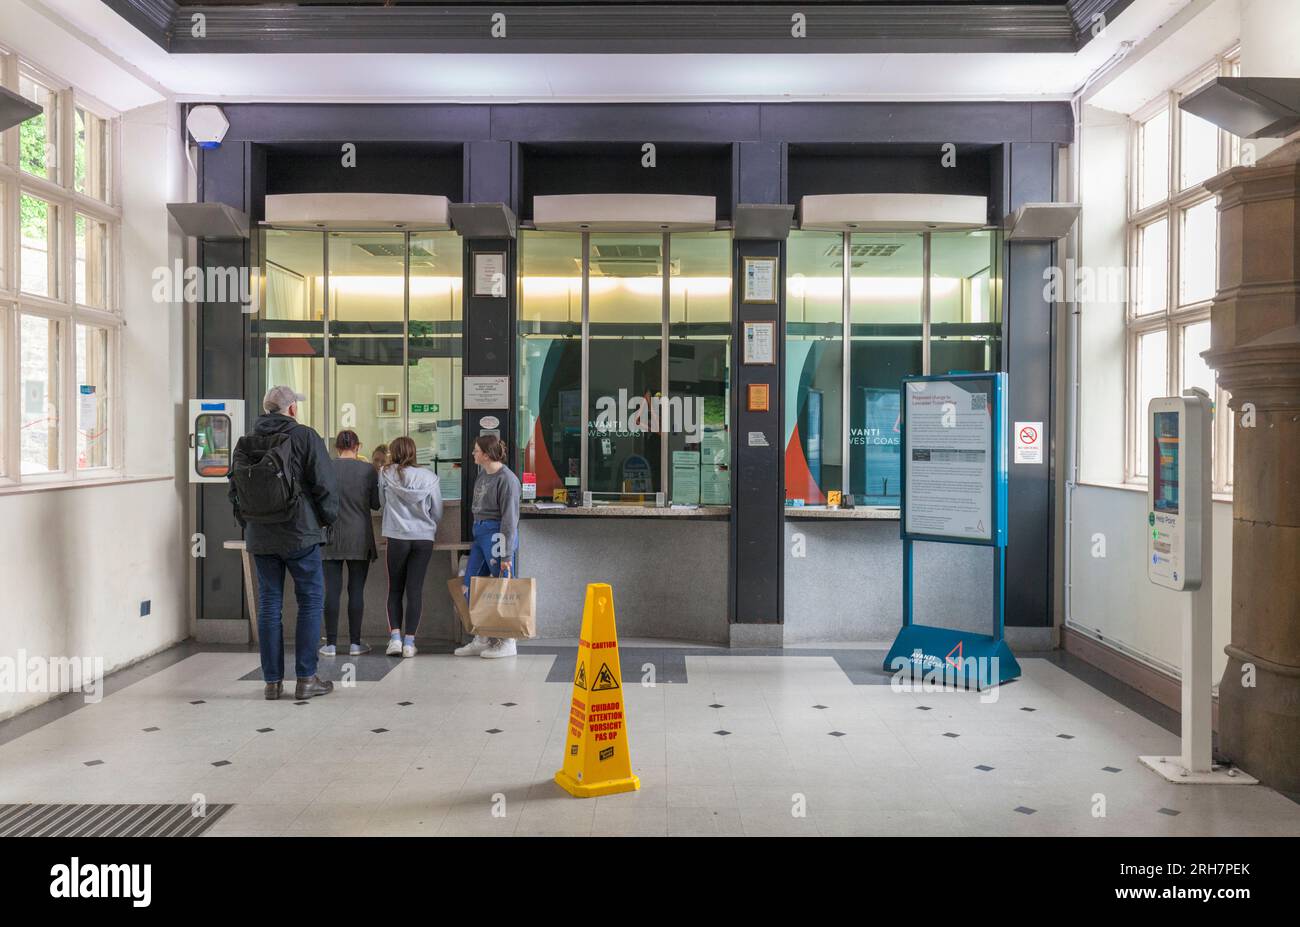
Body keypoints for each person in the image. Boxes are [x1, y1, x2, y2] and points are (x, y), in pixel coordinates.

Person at [229, 385, 339, 701]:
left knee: (268, 605)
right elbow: (325, 485)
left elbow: (234, 489)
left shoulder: (245, 441)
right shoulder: (305, 436)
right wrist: (326, 520)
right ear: (291, 409)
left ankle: (272, 682)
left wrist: (249, 524)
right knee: (310, 601)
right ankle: (306, 678)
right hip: (299, 534)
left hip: (260, 536)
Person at [456, 434, 522, 659]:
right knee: (470, 585)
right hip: (480, 533)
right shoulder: (483, 475)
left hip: (497, 536)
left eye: (476, 450)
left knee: (504, 588)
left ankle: (508, 640)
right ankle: (482, 637)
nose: (473, 454)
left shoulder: (507, 479)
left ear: (486, 454)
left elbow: (510, 519)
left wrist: (506, 554)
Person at [378, 435, 443, 657]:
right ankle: (409, 643)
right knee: (414, 589)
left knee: (395, 588)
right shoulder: (430, 477)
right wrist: (427, 524)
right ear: (414, 452)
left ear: (393, 453)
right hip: (424, 538)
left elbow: (381, 504)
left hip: (397, 536)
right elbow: (438, 511)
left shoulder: (386, 474)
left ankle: (394, 638)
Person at [320, 430, 380, 657]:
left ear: (336, 447)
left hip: (331, 537)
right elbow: (375, 504)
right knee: (356, 591)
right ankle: (355, 643)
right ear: (358, 446)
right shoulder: (368, 470)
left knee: (331, 591)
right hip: (360, 537)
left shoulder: (326, 468)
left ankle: (331, 644)